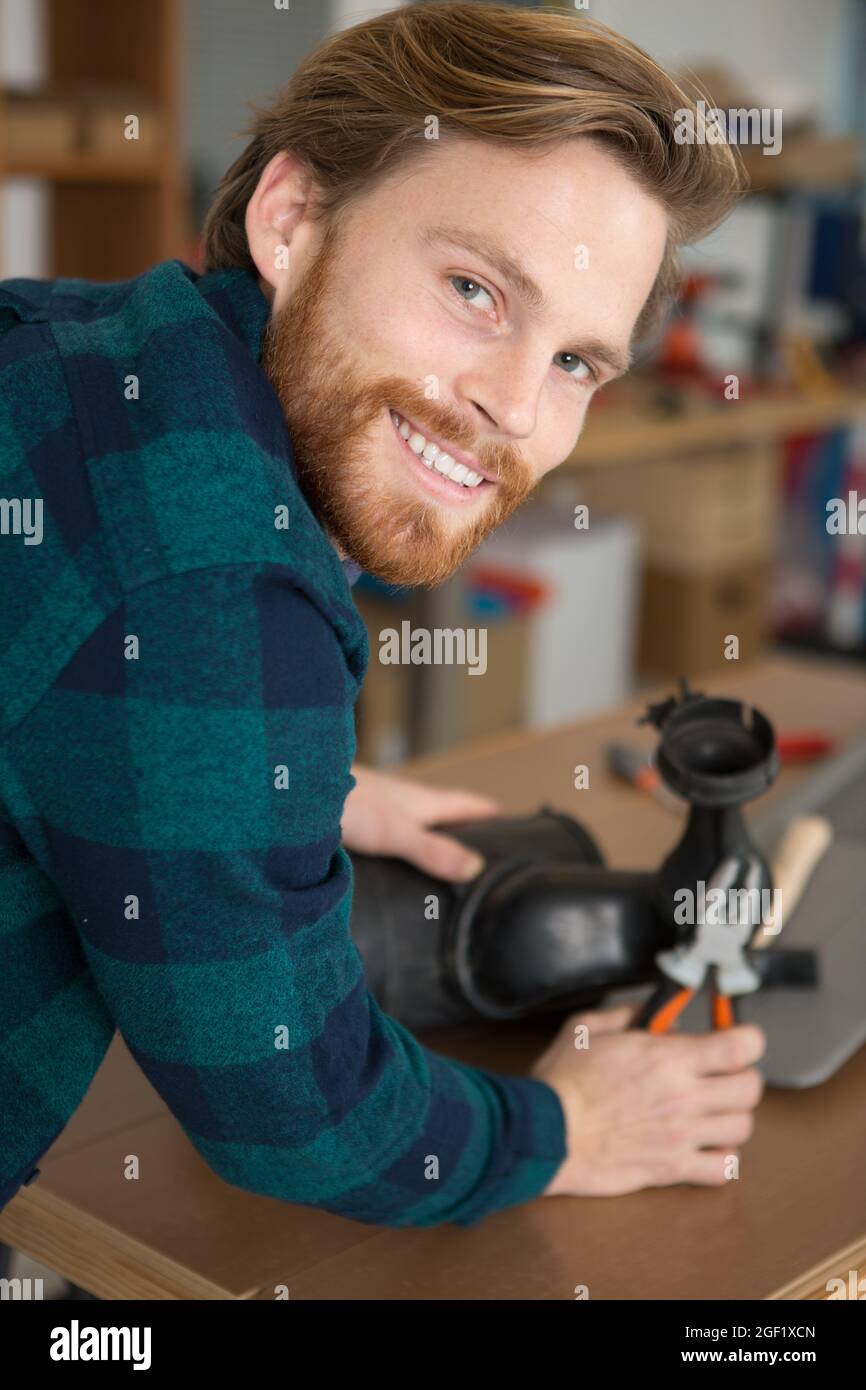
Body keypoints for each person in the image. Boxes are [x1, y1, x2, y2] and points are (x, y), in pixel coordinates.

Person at [0, 2, 764, 1227]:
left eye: (575, 361)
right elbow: (299, 1115)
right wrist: (571, 1128)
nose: (514, 408)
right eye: (472, 289)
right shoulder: (208, 574)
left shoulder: (80, 355)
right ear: (292, 216)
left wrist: (281, 781)